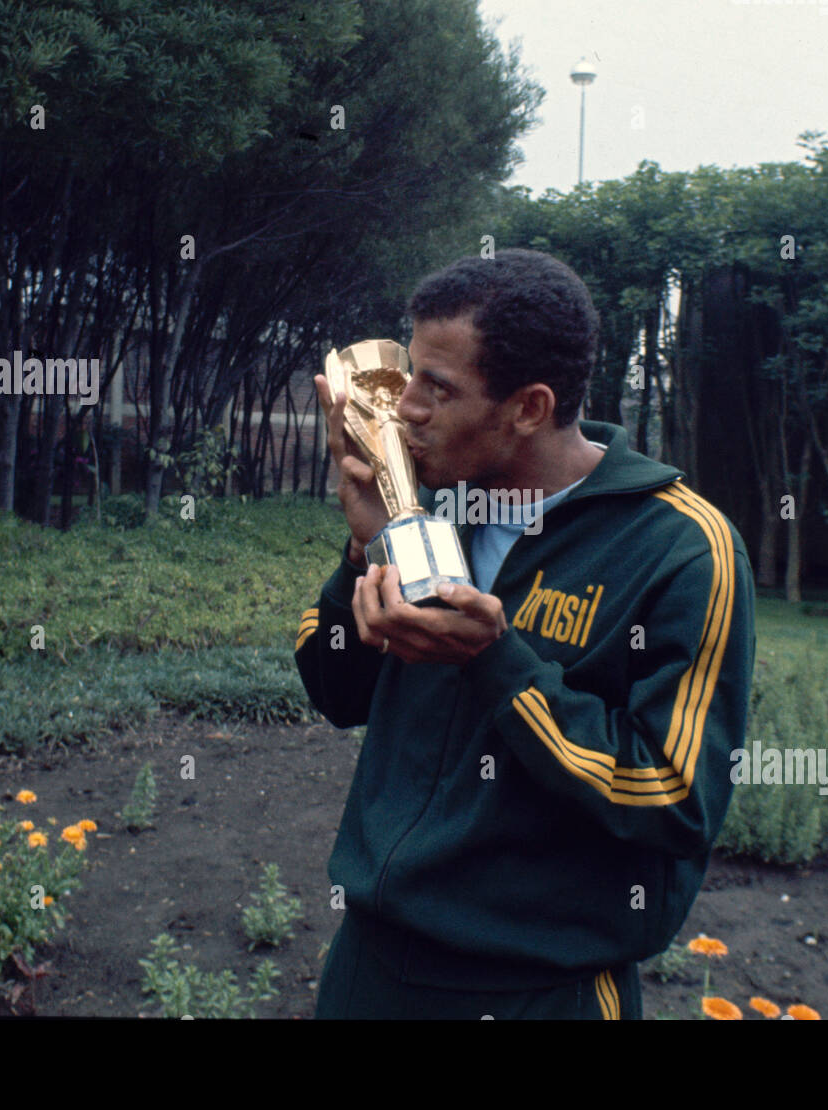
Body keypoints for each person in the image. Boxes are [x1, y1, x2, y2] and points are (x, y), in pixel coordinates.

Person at [296, 248, 755, 1019]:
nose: (404, 407)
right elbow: (337, 694)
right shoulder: (441, 509)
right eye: (410, 374)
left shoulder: (680, 549)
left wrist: (495, 662)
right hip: (370, 970)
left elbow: (675, 795)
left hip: (541, 991)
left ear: (529, 407)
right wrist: (366, 548)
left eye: (437, 387)